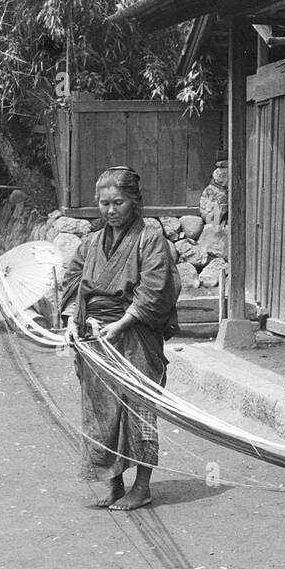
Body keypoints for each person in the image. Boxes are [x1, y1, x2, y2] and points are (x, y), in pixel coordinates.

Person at [60, 166, 180, 510]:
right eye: (103, 203)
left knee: (138, 408)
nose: (110, 210)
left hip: (135, 334)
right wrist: (71, 319)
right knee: (101, 411)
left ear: (135, 202)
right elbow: (72, 281)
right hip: (95, 336)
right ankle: (113, 484)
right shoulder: (92, 241)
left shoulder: (150, 238)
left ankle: (141, 487)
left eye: (118, 203)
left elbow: (156, 288)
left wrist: (124, 322)